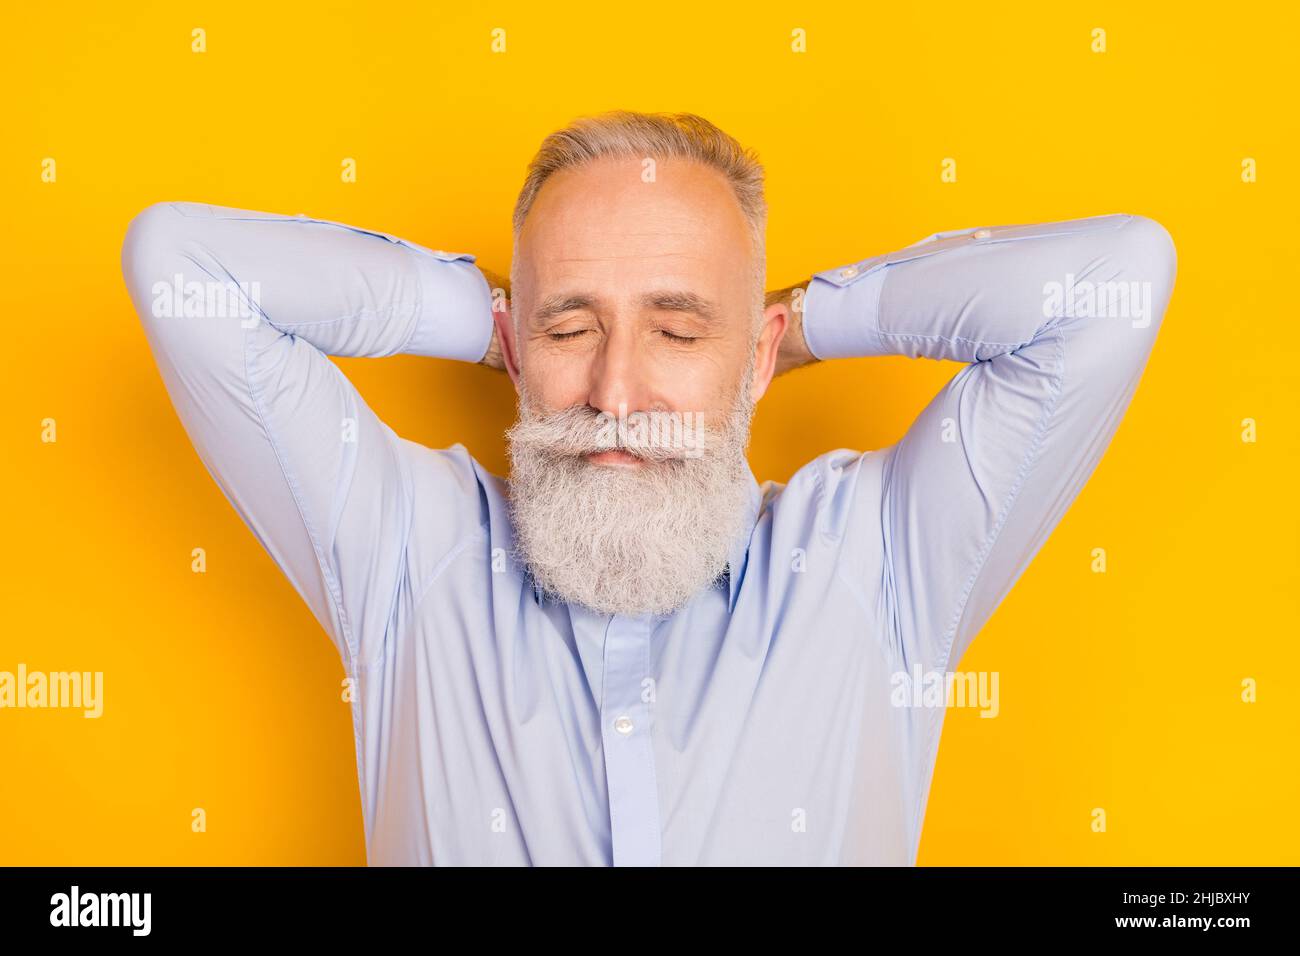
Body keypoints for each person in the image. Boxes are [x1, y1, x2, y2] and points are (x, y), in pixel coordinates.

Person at [120, 110, 1176, 865]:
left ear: (754, 356)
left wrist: (802, 322)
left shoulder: (876, 555)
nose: (616, 390)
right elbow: (181, 265)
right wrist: (495, 321)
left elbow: (1118, 281)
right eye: (571, 328)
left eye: (677, 329)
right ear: (513, 346)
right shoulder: (410, 553)